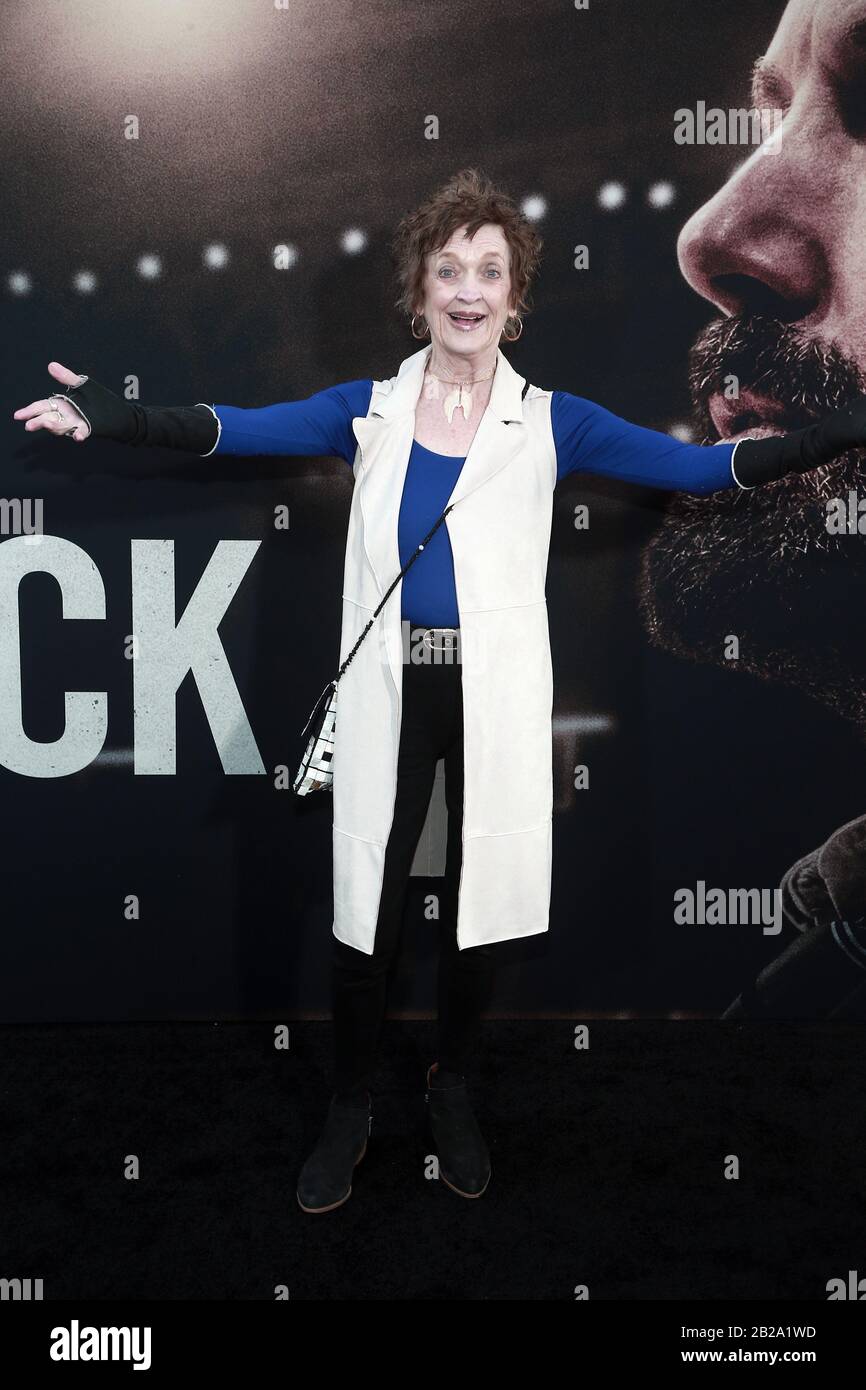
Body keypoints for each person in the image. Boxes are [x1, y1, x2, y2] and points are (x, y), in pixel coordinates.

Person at [14, 167, 866, 1214]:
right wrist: (113, 416)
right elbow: (230, 426)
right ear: (418, 294)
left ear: (513, 304)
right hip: (387, 691)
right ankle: (349, 1105)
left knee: (482, 907)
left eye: (489, 271)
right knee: (362, 913)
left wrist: (839, 432)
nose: (466, 288)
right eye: (447, 268)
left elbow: (704, 475)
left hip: (493, 697)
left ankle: (452, 1084)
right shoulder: (361, 413)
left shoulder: (555, 422)